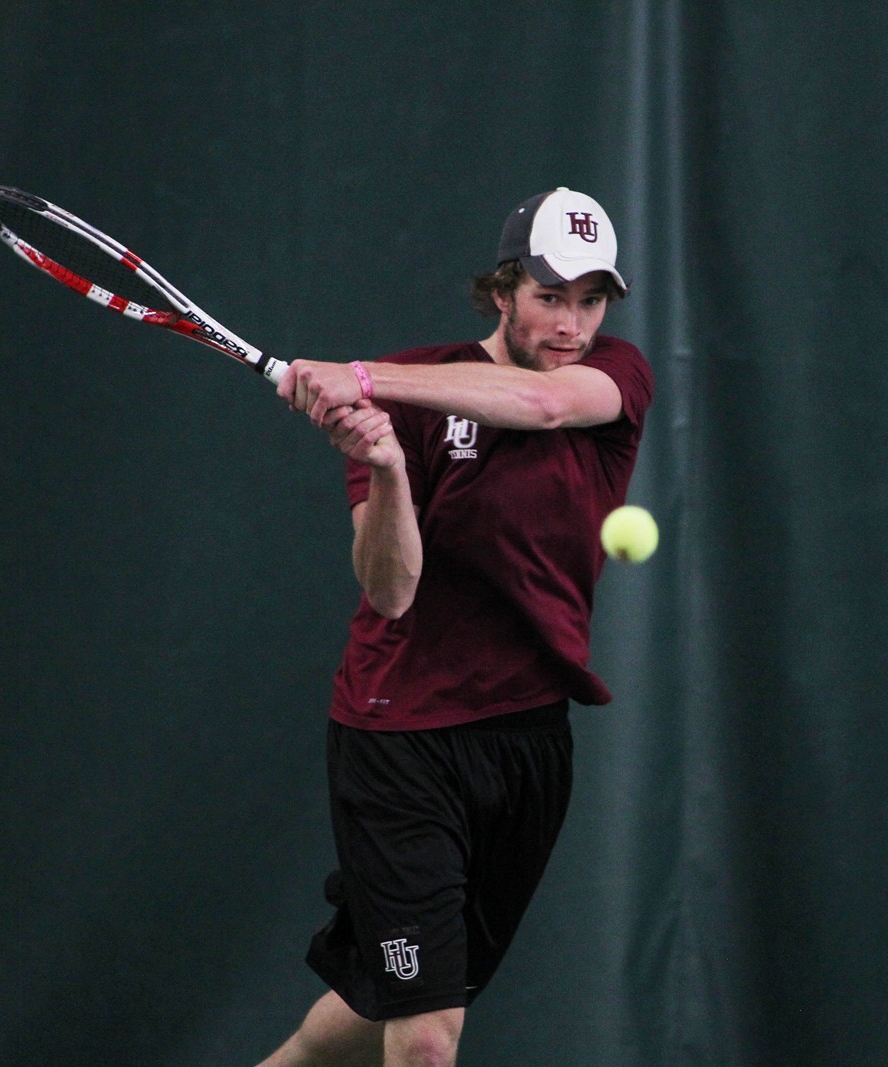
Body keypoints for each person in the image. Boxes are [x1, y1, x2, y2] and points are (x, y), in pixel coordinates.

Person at [254, 188, 653, 1067]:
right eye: (550, 296)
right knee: (428, 1035)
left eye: (592, 299)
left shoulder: (616, 375)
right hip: (400, 739)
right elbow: (391, 592)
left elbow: (545, 406)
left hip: (528, 742)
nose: (572, 324)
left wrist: (362, 377)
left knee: (388, 998)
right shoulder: (411, 394)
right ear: (503, 291)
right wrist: (389, 467)